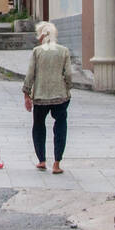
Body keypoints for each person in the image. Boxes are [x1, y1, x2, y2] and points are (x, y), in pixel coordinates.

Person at [22, 20, 73, 175]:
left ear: (41, 36)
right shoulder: (64, 50)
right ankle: (57, 164)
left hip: (40, 96)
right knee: (60, 126)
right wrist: (67, 87)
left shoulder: (37, 51)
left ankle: (42, 160)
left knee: (38, 126)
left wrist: (26, 93)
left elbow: (30, 74)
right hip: (60, 96)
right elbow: (69, 74)